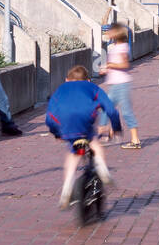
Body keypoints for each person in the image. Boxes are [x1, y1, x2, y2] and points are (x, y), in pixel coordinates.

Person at [45, 65, 118, 209]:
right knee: (93, 141)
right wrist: (116, 128)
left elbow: (50, 115)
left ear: (66, 80)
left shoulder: (60, 89)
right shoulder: (91, 87)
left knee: (72, 155)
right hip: (85, 119)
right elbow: (110, 109)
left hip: (65, 122)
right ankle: (102, 169)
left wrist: (57, 133)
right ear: (88, 80)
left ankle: (67, 189)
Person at [102, 24, 142, 149]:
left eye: (110, 31)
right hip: (115, 84)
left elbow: (125, 65)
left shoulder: (122, 47)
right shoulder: (114, 47)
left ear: (116, 33)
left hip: (122, 84)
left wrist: (110, 65)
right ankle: (110, 132)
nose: (107, 33)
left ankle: (135, 140)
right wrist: (106, 69)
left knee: (126, 112)